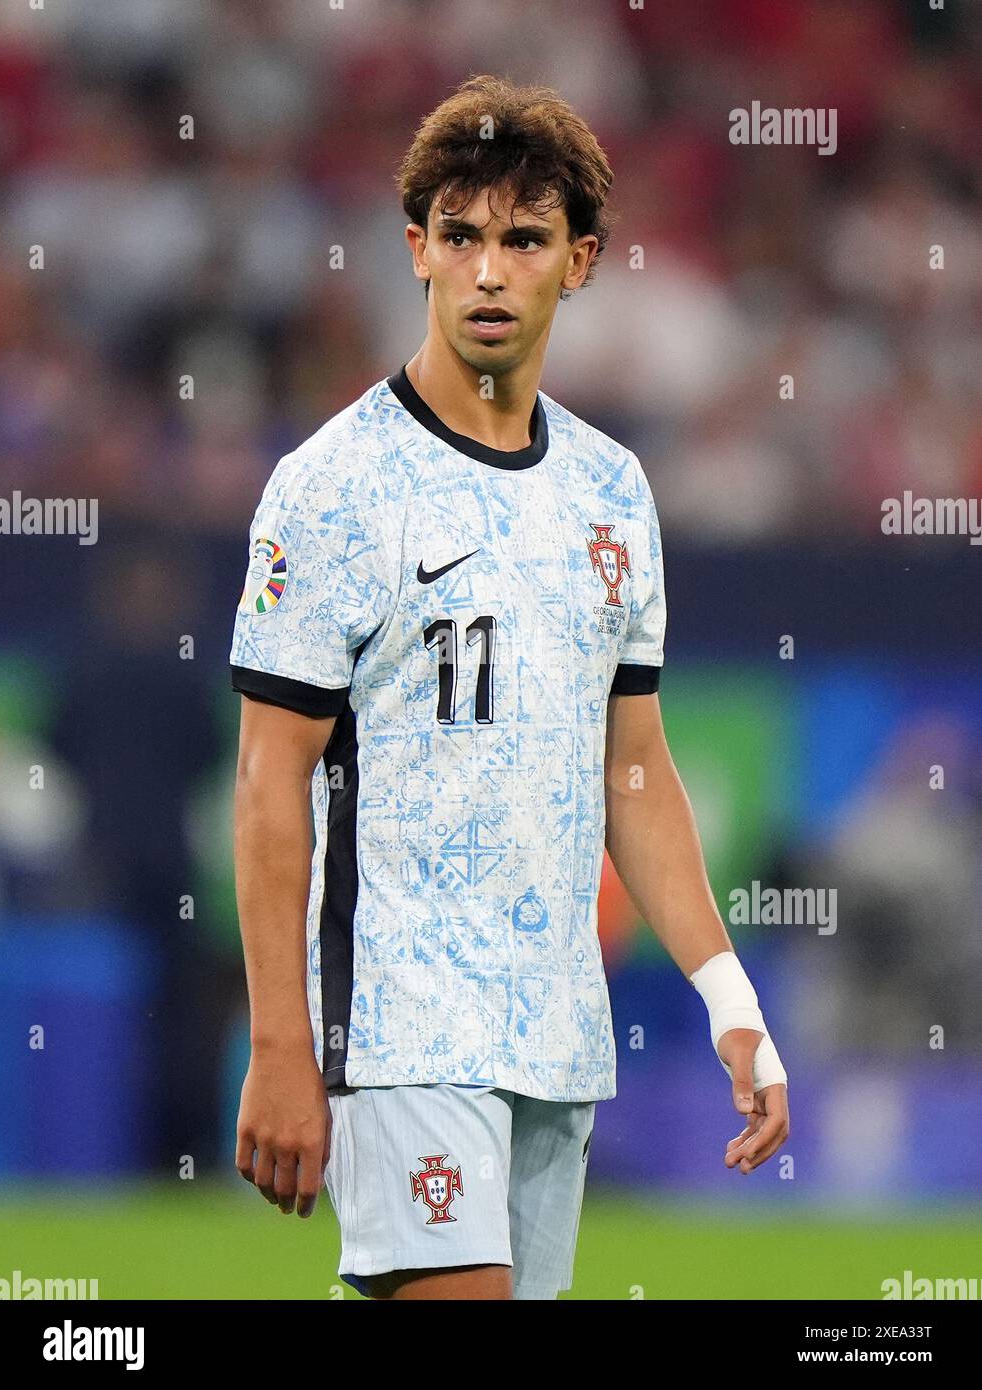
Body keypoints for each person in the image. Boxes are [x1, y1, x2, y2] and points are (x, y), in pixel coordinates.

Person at [229, 73, 788, 1302]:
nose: (489, 271)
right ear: (418, 249)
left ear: (578, 262)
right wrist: (281, 1042)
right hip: (396, 1019)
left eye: (524, 240)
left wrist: (727, 996)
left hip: (554, 1031)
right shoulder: (334, 487)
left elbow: (631, 768)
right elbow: (269, 778)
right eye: (463, 236)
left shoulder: (610, 493)